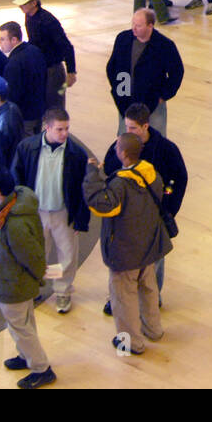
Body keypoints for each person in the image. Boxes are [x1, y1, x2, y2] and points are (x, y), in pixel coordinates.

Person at [84, 133, 173, 356]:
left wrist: (91, 175)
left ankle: (130, 342)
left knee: (124, 299)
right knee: (149, 290)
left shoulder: (121, 184)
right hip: (149, 246)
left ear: (123, 153)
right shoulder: (152, 174)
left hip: (126, 252)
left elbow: (102, 205)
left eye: (117, 146)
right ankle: (153, 330)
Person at [0, 166, 55, 388]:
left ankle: (41, 369)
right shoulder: (11, 206)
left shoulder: (13, 222)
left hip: (13, 284)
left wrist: (37, 277)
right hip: (13, 280)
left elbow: (31, 255)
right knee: (24, 323)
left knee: (21, 328)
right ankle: (25, 355)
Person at [101, 102, 187, 296]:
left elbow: (179, 179)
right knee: (121, 259)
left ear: (145, 126)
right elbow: (109, 171)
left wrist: (169, 209)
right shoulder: (120, 145)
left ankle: (152, 298)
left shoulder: (166, 150)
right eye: (126, 126)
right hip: (126, 216)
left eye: (133, 128)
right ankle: (118, 298)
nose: (127, 131)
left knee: (154, 260)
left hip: (153, 216)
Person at [10, 108, 90, 315]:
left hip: (64, 213)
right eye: (59, 129)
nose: (64, 133)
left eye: (67, 129)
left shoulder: (77, 154)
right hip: (36, 213)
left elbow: (83, 188)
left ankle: (62, 292)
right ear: (47, 127)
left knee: (68, 254)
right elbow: (16, 178)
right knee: (36, 253)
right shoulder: (27, 147)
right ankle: (34, 287)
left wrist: (80, 220)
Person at [105, 8, 183, 134]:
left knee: (156, 139)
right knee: (126, 138)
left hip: (152, 102)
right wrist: (118, 90)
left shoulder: (164, 46)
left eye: (139, 26)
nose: (134, 28)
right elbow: (112, 67)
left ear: (150, 25)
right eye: (133, 24)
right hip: (126, 101)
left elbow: (177, 73)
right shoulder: (123, 39)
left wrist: (163, 96)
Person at [14, 0, 76, 112]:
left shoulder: (48, 21)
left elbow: (66, 46)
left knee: (54, 107)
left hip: (53, 70)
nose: (21, 7)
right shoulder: (29, 17)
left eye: (24, 4)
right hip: (40, 67)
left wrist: (71, 72)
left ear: (34, 3)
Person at [0, 21, 48, 136]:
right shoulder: (35, 51)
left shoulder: (14, 63)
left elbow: (12, 95)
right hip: (38, 110)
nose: (0, 43)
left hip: (24, 116)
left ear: (14, 40)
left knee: (25, 148)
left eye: (2, 39)